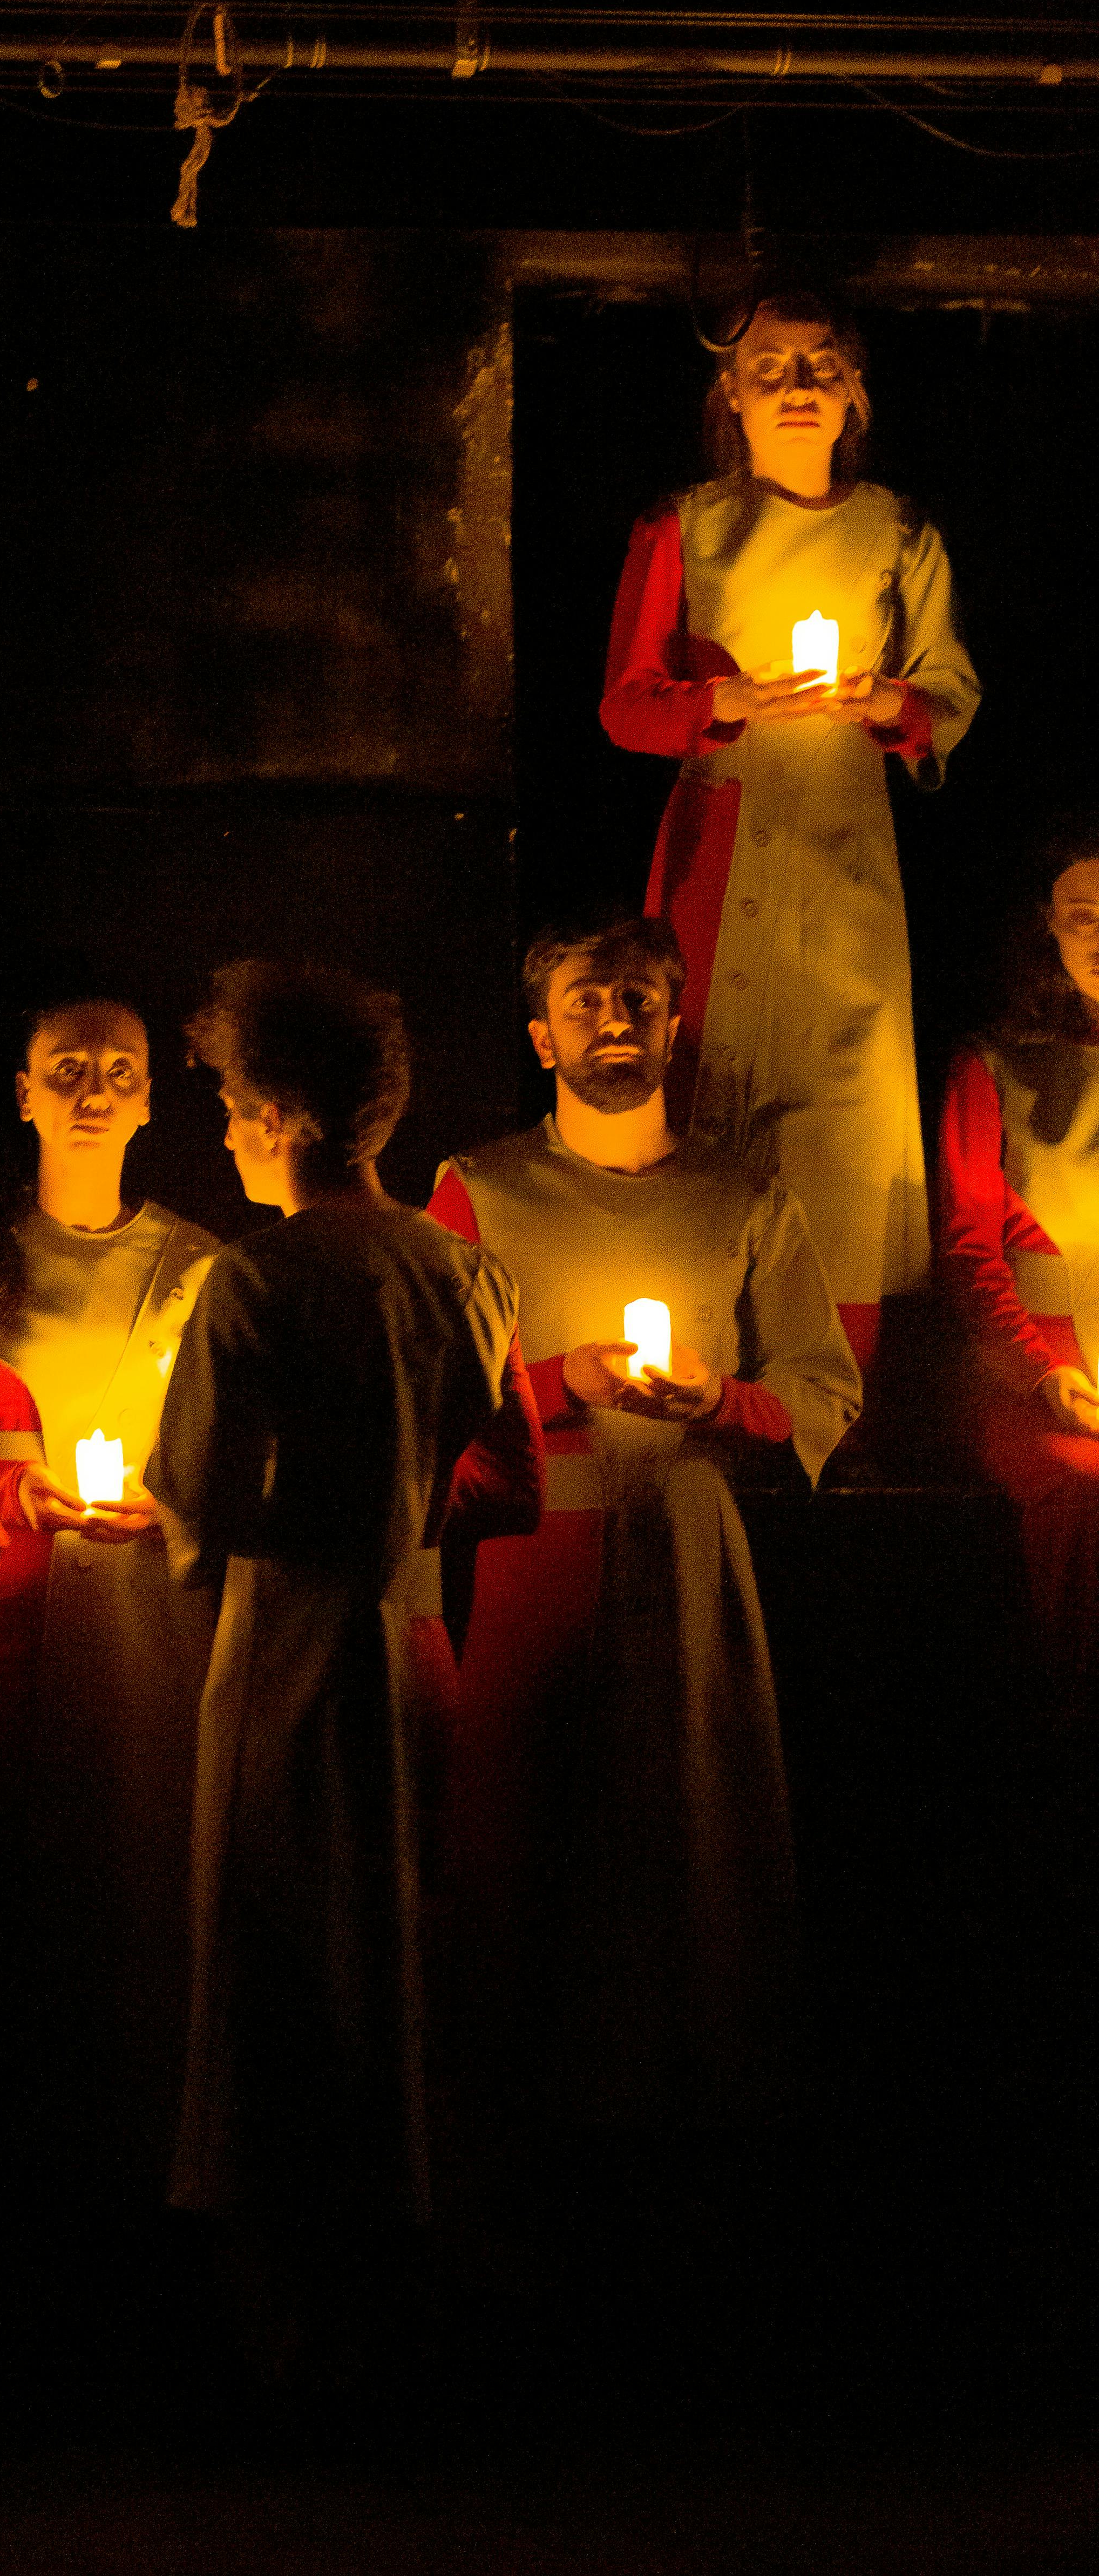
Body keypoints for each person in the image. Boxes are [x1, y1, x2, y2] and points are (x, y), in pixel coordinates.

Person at [146, 961, 538, 2385]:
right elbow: (512, 1486)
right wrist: (404, 1501)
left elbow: (190, 1485)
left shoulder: (256, 1277)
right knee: (398, 1955)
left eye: (237, 1109)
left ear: (279, 1110)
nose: (232, 1136)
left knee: (273, 1960)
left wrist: (281, 1517)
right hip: (415, 1639)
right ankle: (402, 2284)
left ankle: (284, 2318)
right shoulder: (459, 1265)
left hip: (291, 1643)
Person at [425, 917, 859, 2162]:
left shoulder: (741, 1191)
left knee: (686, 1803)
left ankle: (692, 2102)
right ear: (540, 1032)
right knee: (522, 1807)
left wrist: (715, 1403)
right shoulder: (484, 1187)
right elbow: (436, 1382)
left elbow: (820, 1390)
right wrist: (562, 1381)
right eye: (584, 998)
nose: (613, 1019)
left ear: (674, 1024)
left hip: (684, 1534)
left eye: (637, 999)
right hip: (537, 1529)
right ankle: (506, 2102)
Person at [601, 288, 980, 1377]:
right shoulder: (687, 526)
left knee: (843, 1113)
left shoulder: (899, 533)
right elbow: (628, 703)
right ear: (732, 391)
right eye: (774, 366)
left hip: (843, 851)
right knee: (712, 1089)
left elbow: (949, 693)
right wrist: (721, 705)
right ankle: (708, 1371)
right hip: (724, 842)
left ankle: (829, 1394)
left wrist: (890, 706)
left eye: (822, 365)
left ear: (856, 389)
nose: (800, 386)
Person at [0, 995, 220, 2208]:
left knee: (129, 1862)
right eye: (67, 1068)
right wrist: (10, 1485)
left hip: (143, 1611)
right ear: (24, 1093)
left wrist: (169, 1506)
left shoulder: (198, 1265)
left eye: (120, 1070)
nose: (95, 1087)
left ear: (150, 1099)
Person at [938, 820, 1099, 1719]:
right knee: (1086, 1492)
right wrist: (1041, 1375)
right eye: (1084, 917)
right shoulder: (995, 1066)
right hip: (1044, 1379)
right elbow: (971, 1252)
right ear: (1051, 930)